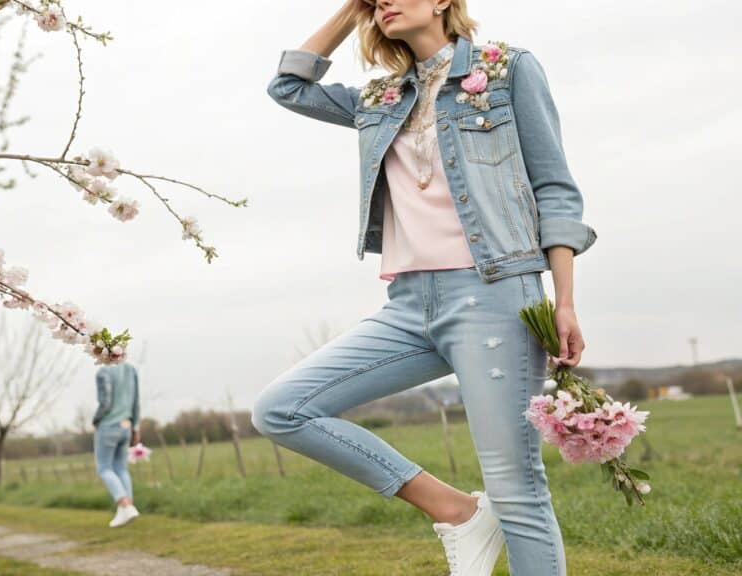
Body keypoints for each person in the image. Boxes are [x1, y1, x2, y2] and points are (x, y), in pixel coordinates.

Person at [251, 1, 596, 575]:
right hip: (408, 305)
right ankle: (457, 511)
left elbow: (555, 189)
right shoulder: (381, 98)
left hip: (495, 294)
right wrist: (351, 11)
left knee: (515, 488)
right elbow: (289, 86)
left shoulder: (508, 69)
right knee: (281, 409)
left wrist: (564, 300)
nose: (384, 3)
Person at [92, 361, 142, 528]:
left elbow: (105, 402)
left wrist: (96, 420)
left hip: (108, 426)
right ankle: (126, 509)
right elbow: (136, 401)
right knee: (121, 468)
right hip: (126, 425)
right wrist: (135, 427)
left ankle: (126, 506)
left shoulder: (104, 372)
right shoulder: (130, 370)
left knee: (104, 468)